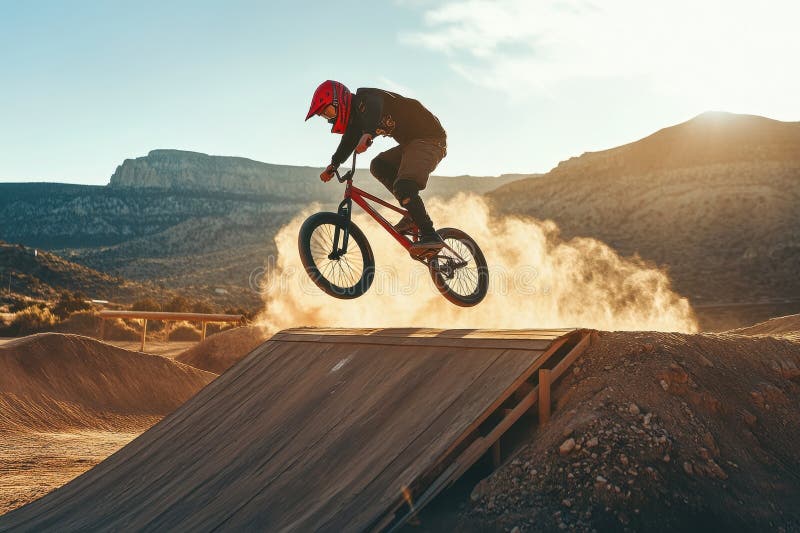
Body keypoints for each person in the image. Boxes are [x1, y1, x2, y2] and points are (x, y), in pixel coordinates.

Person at [304, 80, 448, 250]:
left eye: (329, 111)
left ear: (339, 99)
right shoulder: (357, 122)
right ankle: (413, 214)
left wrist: (368, 133)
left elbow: (374, 108)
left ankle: (430, 234)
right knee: (379, 165)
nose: (330, 118)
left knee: (404, 186)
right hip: (411, 144)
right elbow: (348, 141)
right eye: (326, 116)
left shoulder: (366, 97)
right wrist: (334, 164)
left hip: (431, 139)